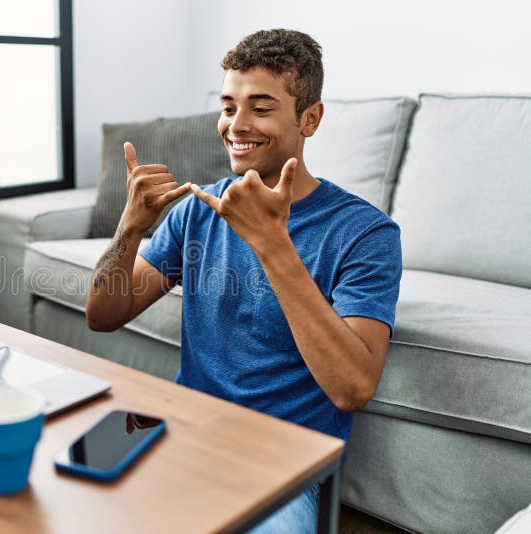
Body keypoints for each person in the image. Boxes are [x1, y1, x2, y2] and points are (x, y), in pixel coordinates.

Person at [85, 28, 401, 533]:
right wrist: (130, 228)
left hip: (283, 459)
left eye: (260, 107)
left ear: (310, 119)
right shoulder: (197, 210)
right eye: (229, 106)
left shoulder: (366, 233)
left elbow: (352, 388)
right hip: (184, 432)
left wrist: (273, 245)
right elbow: (104, 316)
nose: (237, 125)